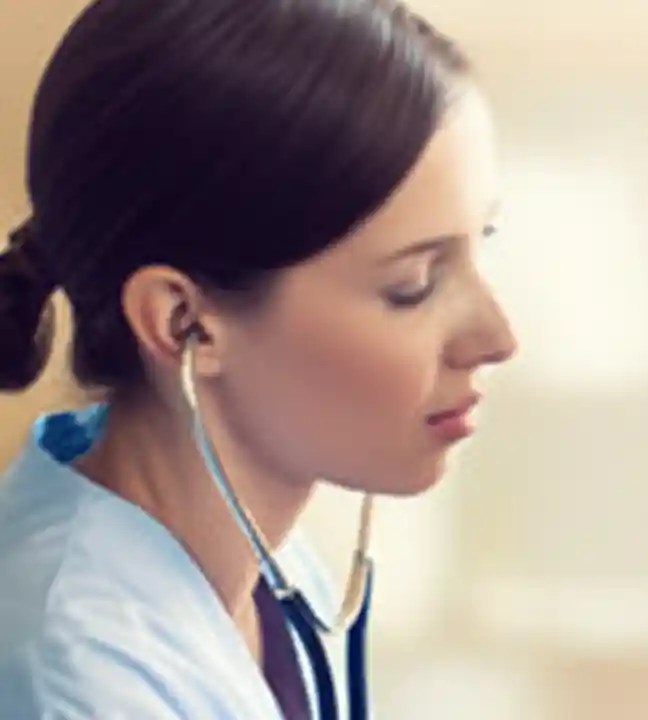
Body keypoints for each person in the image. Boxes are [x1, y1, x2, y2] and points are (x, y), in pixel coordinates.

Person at [0, 1, 516, 718]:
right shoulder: (75, 677)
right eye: (414, 285)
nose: (497, 337)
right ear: (184, 322)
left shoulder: (262, 571)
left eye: (480, 243)